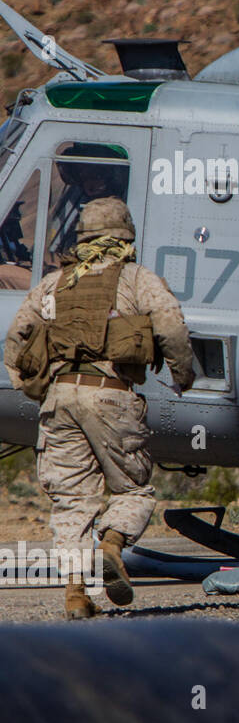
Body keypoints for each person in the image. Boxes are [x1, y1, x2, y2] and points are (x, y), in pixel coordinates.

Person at [3, 198, 195, 619]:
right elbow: (170, 325)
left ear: (83, 236)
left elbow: (16, 338)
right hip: (111, 393)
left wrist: (29, 386)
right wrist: (183, 375)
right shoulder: (136, 278)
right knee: (133, 488)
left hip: (60, 396)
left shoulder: (55, 283)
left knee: (72, 500)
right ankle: (111, 544)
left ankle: (76, 593)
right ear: (125, 236)